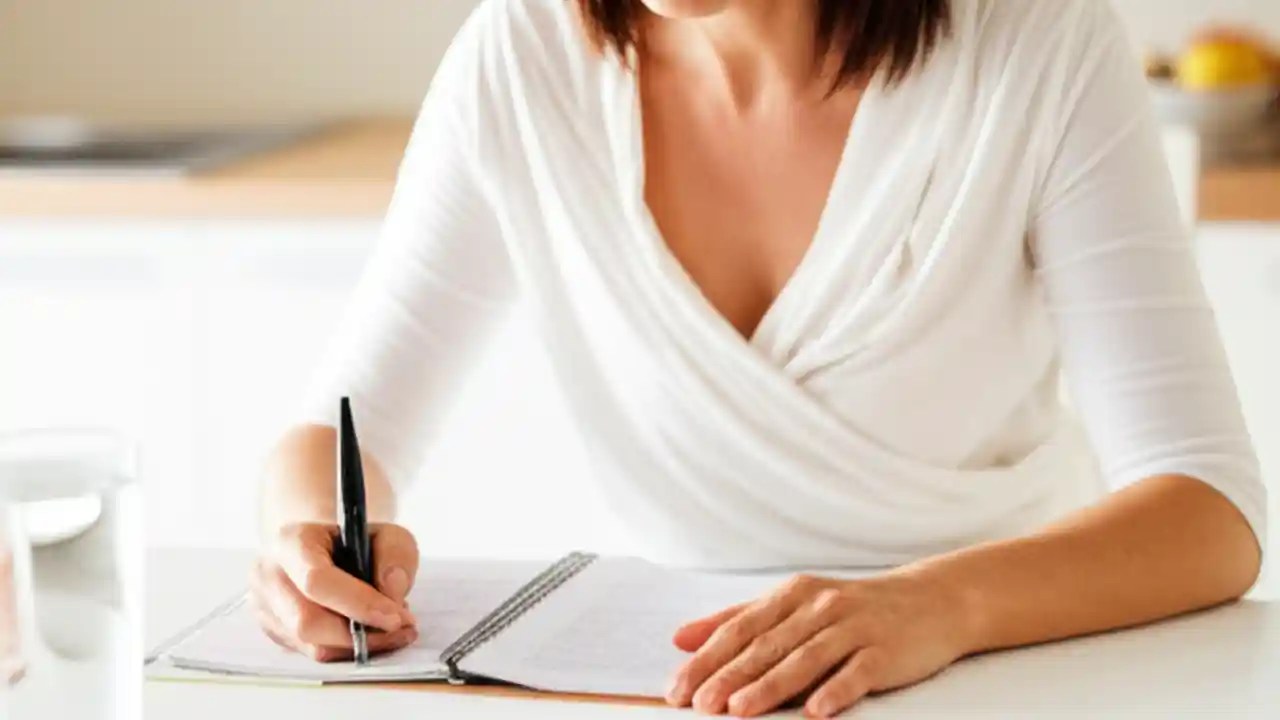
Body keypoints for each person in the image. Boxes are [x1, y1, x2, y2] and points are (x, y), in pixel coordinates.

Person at [249, 0, 1267, 716]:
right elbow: (342, 428)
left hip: (1012, 669)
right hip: (675, 683)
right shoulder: (520, 58)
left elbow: (1209, 513)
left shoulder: (1038, 43)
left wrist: (936, 604)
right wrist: (308, 543)